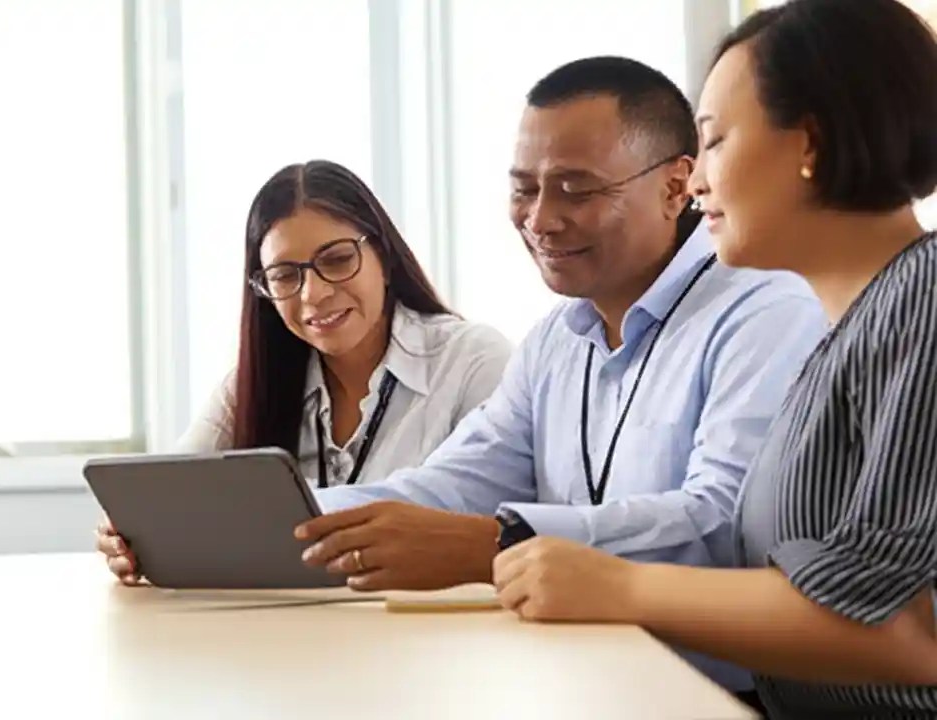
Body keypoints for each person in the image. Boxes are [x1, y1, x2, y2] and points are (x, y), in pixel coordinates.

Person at [294, 57, 827, 693]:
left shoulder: (765, 307)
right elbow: (447, 487)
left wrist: (501, 544)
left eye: (576, 189)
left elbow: (723, 525)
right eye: (524, 188)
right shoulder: (556, 339)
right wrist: (247, 529)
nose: (541, 219)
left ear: (675, 185)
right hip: (580, 683)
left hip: (717, 699)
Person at [491, 1, 937, 716]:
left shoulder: (922, 295)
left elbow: (903, 624)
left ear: (809, 143)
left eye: (716, 142)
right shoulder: (849, 328)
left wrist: (615, 585)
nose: (695, 183)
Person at [97, 159, 512, 584]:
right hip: (290, 632)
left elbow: (490, 521)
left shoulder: (472, 360)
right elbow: (163, 492)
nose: (314, 294)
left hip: (429, 632)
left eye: (336, 260)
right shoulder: (256, 381)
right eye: (285, 276)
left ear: (383, 259)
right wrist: (130, 535)